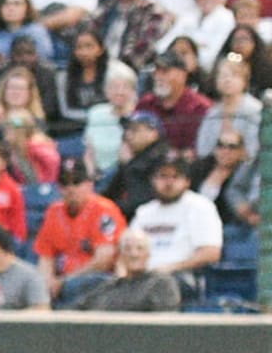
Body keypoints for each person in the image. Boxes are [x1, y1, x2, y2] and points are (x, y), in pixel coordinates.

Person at [34, 158, 126, 306]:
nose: (70, 188)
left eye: (76, 182)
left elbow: (104, 259)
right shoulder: (53, 211)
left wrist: (66, 281)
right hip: (62, 284)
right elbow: (45, 258)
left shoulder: (104, 210)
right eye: (65, 184)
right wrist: (46, 283)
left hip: (97, 282)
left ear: (89, 185)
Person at [129, 153, 223, 299]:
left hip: (181, 279)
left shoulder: (200, 206)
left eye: (175, 177)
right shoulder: (144, 212)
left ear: (187, 181)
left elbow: (211, 253)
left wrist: (168, 268)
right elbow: (126, 251)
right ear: (153, 180)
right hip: (141, 277)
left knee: (158, 284)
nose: (169, 182)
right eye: (163, 176)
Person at [91, 0, 173, 73]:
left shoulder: (155, 11)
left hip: (133, 72)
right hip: (99, 68)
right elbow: (89, 33)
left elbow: (145, 50)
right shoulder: (106, 8)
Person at [70, 228, 181, 311]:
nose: (134, 254)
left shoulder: (161, 283)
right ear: (120, 255)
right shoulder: (109, 287)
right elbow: (75, 310)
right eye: (127, 249)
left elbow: (165, 323)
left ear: (148, 254)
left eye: (140, 248)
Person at [136, 50, 212, 151]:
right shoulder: (145, 104)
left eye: (165, 71)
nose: (158, 77)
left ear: (183, 75)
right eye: (156, 72)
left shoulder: (200, 108)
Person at [194, 53, 263, 158]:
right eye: (223, 75)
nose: (227, 80)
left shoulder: (255, 110)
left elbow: (254, 150)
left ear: (245, 81)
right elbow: (202, 150)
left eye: (234, 75)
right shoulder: (212, 113)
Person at [191, 127, 260, 226]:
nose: (225, 151)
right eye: (221, 145)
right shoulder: (200, 168)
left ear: (241, 151)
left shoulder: (244, 174)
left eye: (232, 147)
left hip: (227, 227)